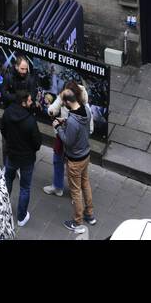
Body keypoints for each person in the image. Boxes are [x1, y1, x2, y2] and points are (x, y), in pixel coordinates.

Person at [55, 83, 97, 230]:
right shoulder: (85, 109)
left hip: (75, 160)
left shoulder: (73, 121)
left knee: (75, 191)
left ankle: (77, 221)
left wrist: (58, 127)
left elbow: (68, 141)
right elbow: (79, 128)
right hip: (86, 155)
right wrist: (65, 122)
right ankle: (90, 214)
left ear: (67, 102)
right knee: (86, 184)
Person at [1, 85, 42, 227]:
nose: (31, 102)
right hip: (26, 160)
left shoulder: (7, 113)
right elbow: (37, 143)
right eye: (30, 100)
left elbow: (3, 131)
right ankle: (21, 217)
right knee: (25, 187)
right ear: (23, 102)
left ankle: (3, 209)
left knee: (7, 181)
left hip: (11, 155)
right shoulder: (30, 122)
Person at [43, 85, 71, 197]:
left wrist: (64, 121)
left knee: (73, 167)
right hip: (61, 135)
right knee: (57, 159)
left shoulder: (83, 105)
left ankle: (76, 192)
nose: (62, 101)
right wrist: (51, 111)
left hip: (73, 139)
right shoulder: (62, 97)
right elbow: (54, 108)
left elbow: (90, 128)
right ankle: (58, 187)